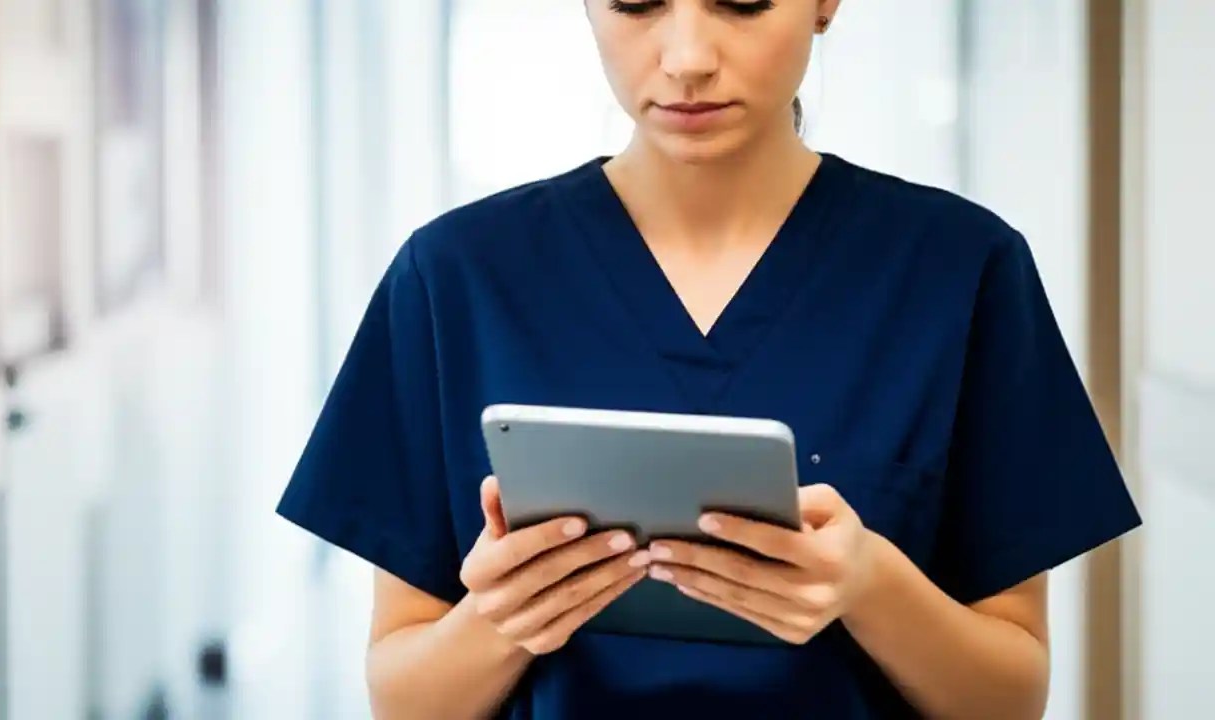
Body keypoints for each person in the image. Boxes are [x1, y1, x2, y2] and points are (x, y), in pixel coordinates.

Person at [276, 1, 1142, 717]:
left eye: (743, 1)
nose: (687, 56)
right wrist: (506, 618)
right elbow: (401, 695)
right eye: (636, 3)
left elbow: (1011, 695)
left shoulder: (963, 270)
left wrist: (869, 585)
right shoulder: (455, 277)